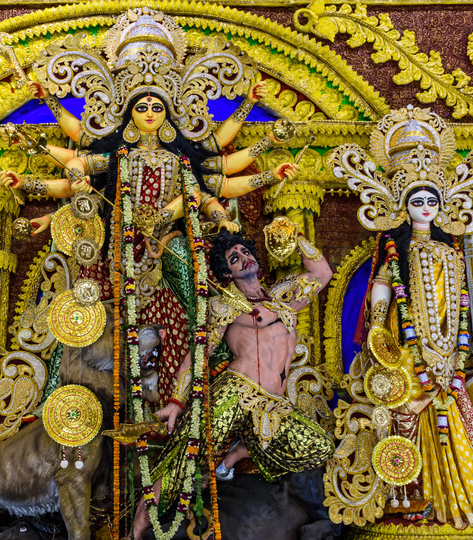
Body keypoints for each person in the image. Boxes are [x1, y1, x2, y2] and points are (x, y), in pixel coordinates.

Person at [0, 8, 298, 392]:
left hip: (167, 248)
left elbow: (207, 190)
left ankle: (186, 385)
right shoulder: (118, 157)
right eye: (142, 107)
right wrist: (33, 180)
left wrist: (262, 177)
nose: (150, 114)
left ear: (169, 113)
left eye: (157, 107)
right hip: (119, 250)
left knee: (190, 308)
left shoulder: (180, 160)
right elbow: (75, 167)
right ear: (129, 113)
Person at [328, 106, 473, 530]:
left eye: (432, 201)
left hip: (451, 348)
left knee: (457, 410)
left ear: (442, 206)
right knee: (407, 411)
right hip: (407, 344)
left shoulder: (453, 250)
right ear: (404, 207)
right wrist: (375, 325)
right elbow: (384, 287)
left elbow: (469, 298)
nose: (425, 207)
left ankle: (467, 501)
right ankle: (407, 498)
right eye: (417, 201)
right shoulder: (397, 248)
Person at [132, 228, 334, 539]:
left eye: (246, 252)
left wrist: (294, 237)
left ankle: (236, 454)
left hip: (274, 405)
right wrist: (177, 401)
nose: (244, 258)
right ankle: (138, 527)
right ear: (227, 272)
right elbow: (199, 353)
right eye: (234, 258)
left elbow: (321, 272)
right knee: (186, 458)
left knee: (318, 446)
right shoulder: (224, 306)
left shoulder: (285, 298)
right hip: (236, 391)